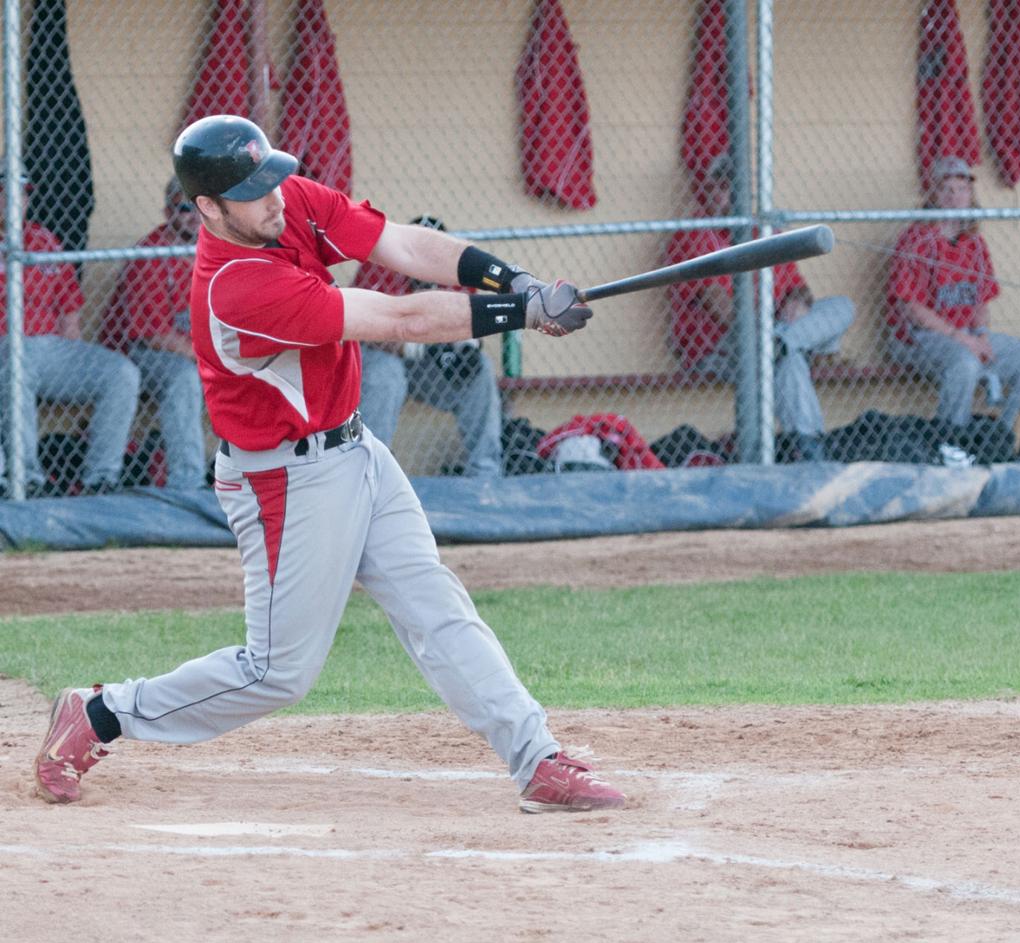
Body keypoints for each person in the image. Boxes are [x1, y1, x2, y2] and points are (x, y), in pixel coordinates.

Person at [33, 115, 625, 814]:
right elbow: (397, 320)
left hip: (356, 448)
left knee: (435, 604)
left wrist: (516, 281)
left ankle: (537, 758)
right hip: (284, 481)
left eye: (271, 179)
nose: (275, 198)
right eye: (252, 192)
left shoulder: (280, 203)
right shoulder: (235, 286)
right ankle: (100, 713)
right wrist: (517, 314)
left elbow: (404, 243)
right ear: (209, 209)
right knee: (277, 672)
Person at [665, 154, 855, 461]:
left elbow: (800, 287)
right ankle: (810, 448)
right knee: (788, 361)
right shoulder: (693, 235)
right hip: (720, 347)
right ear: (711, 190)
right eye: (725, 187)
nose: (734, 195)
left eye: (740, 188)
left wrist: (797, 302)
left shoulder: (761, 233)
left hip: (775, 334)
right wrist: (767, 334)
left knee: (842, 306)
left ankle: (783, 343)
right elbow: (721, 306)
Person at [886, 155, 1020, 432]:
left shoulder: (975, 243)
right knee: (965, 363)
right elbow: (912, 310)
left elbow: (980, 302)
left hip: (967, 334)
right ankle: (951, 441)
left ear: (971, 194)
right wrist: (963, 339)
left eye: (962, 188)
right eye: (946, 189)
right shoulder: (916, 239)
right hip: (916, 339)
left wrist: (980, 335)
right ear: (932, 194)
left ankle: (1011, 437)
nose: (955, 196)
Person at [0, 163, 140, 498]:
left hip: (51, 349)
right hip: (6, 346)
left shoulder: (45, 239)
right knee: (20, 363)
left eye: (21, 195)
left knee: (121, 373)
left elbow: (69, 313)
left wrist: (74, 365)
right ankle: (25, 480)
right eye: (7, 195)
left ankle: (101, 478)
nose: (16, 202)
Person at [354, 215, 502, 477]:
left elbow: (470, 326)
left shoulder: (457, 268)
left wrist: (467, 347)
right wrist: (416, 344)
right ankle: (372, 471)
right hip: (381, 359)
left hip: (429, 367)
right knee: (387, 375)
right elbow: (364, 326)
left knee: (482, 369)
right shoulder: (381, 261)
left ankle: (485, 472)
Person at [100, 177, 208, 489]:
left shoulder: (216, 250)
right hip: (136, 353)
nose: (194, 216)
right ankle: (188, 483)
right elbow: (152, 333)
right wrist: (210, 360)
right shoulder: (151, 252)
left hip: (191, 351)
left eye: (202, 207)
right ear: (167, 211)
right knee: (183, 377)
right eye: (185, 208)